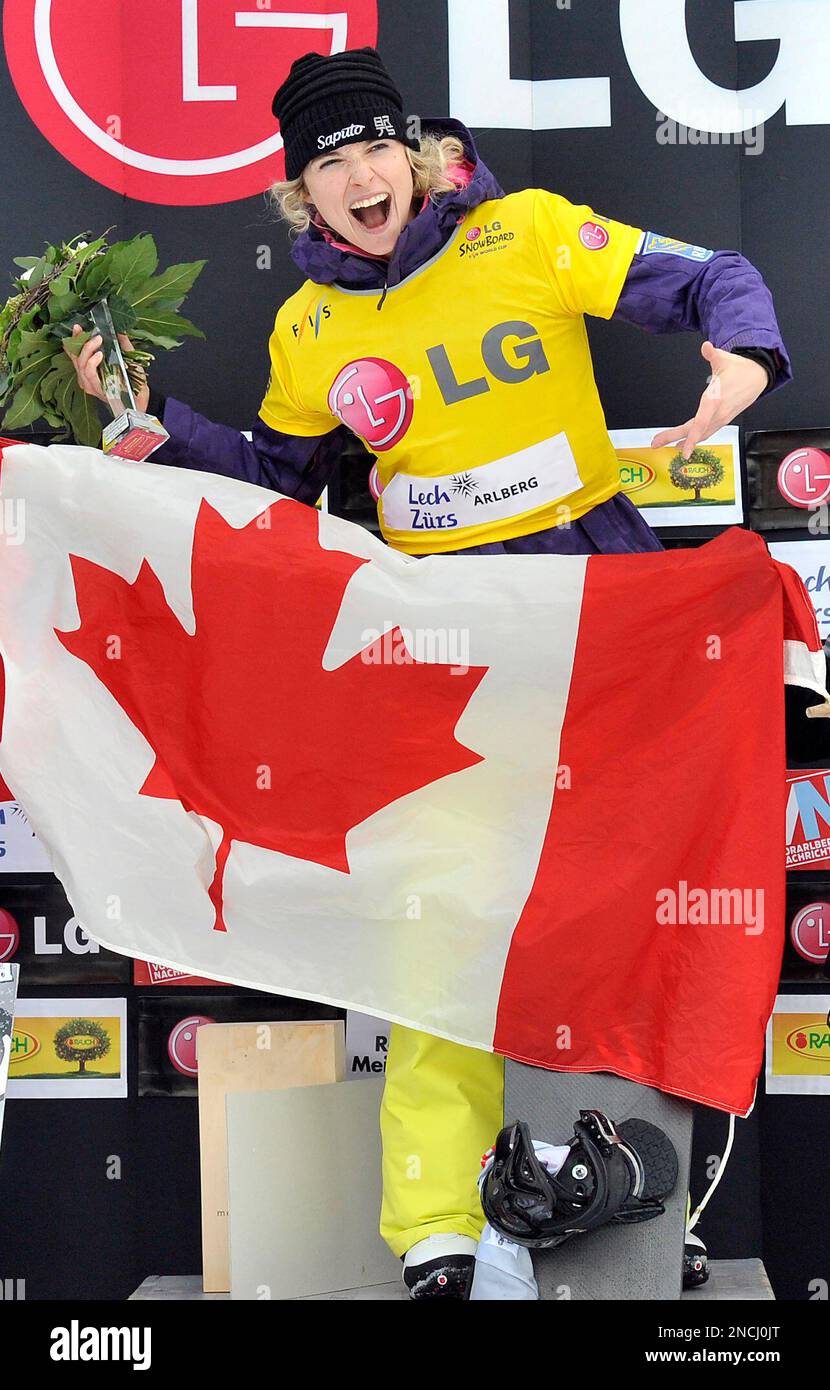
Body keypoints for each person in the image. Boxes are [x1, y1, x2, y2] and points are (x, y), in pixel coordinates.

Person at [66, 45, 791, 1300]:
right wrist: (149, 423)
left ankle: (598, 1177)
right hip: (439, 659)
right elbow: (279, 488)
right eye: (325, 164)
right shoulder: (313, 325)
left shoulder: (523, 233)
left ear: (414, 152)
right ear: (301, 193)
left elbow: (703, 276)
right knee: (434, 941)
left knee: (604, 917)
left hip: (590, 634)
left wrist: (744, 357)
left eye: (370, 150)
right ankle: (440, 1232)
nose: (355, 178)